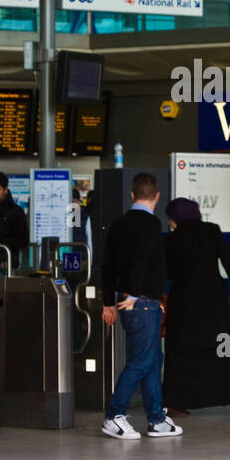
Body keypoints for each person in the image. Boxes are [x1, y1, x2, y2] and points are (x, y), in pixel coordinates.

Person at [162, 197, 230, 417]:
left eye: (171, 219)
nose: (170, 223)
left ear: (177, 218)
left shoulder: (172, 240)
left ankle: (175, 403)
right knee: (224, 349)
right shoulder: (211, 231)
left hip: (184, 306)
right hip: (213, 303)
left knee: (181, 352)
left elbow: (167, 273)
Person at [100, 172, 182, 440]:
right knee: (143, 360)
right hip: (142, 301)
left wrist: (107, 303)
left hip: (132, 300)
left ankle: (157, 418)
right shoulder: (150, 224)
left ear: (132, 195)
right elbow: (142, 260)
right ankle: (114, 415)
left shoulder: (118, 225)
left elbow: (108, 266)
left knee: (152, 360)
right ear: (157, 196)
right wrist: (136, 294)